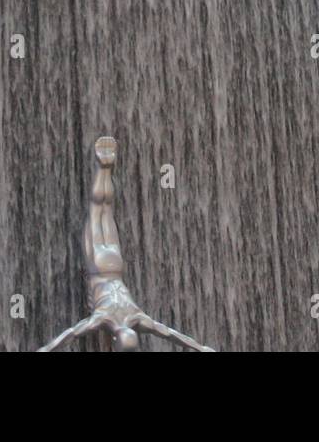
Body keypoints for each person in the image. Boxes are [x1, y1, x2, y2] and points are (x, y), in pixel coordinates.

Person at [38, 138, 213, 352]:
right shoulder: (105, 318)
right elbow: (72, 333)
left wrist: (200, 348)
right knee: (98, 211)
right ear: (115, 340)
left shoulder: (139, 318)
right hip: (98, 268)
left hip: (115, 264)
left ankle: (106, 169)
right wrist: (47, 349)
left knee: (105, 210)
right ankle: (104, 169)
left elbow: (169, 333)